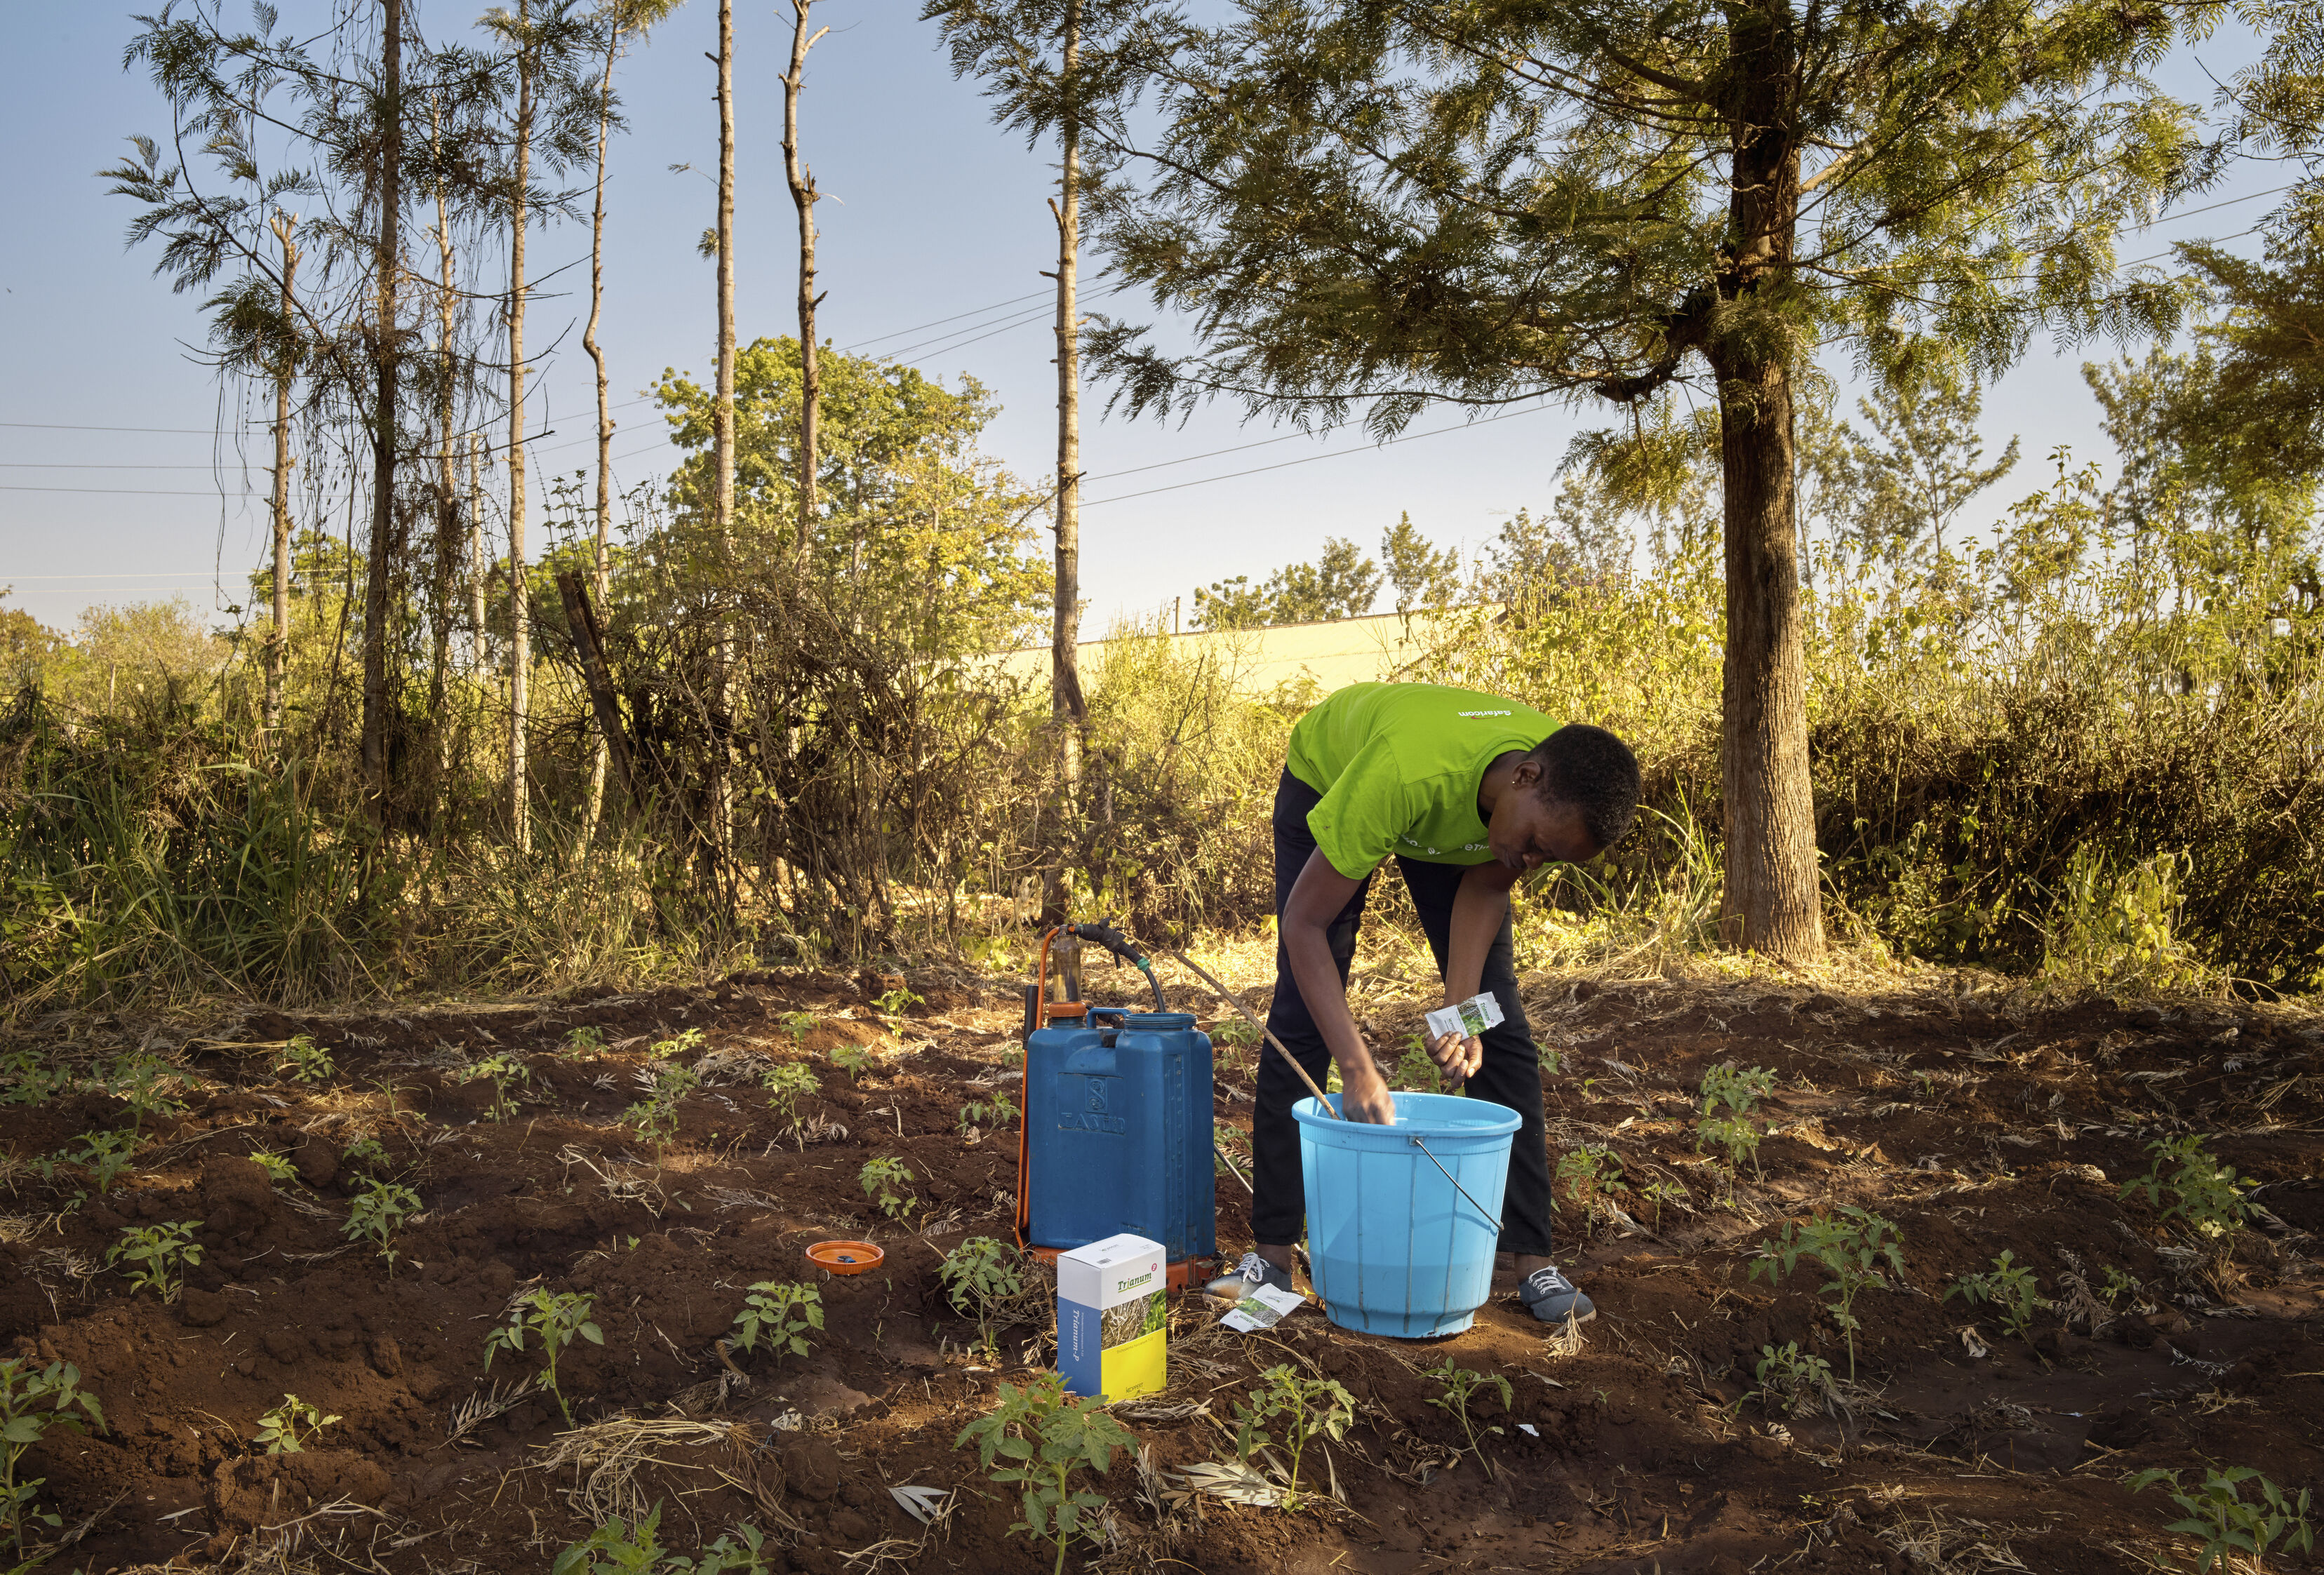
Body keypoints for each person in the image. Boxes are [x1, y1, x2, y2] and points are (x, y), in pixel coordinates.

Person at [1206, 681, 1640, 1322]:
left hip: (1460, 827)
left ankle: (1532, 1260)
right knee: (1303, 1014)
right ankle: (1270, 1258)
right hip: (1336, 778)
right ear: (1524, 776)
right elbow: (1303, 925)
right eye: (1537, 847)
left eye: (1550, 858)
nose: (1533, 861)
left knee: (1504, 1028)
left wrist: (1460, 1016)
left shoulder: (1549, 809)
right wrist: (1357, 1069)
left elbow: (1489, 886)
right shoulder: (1407, 773)